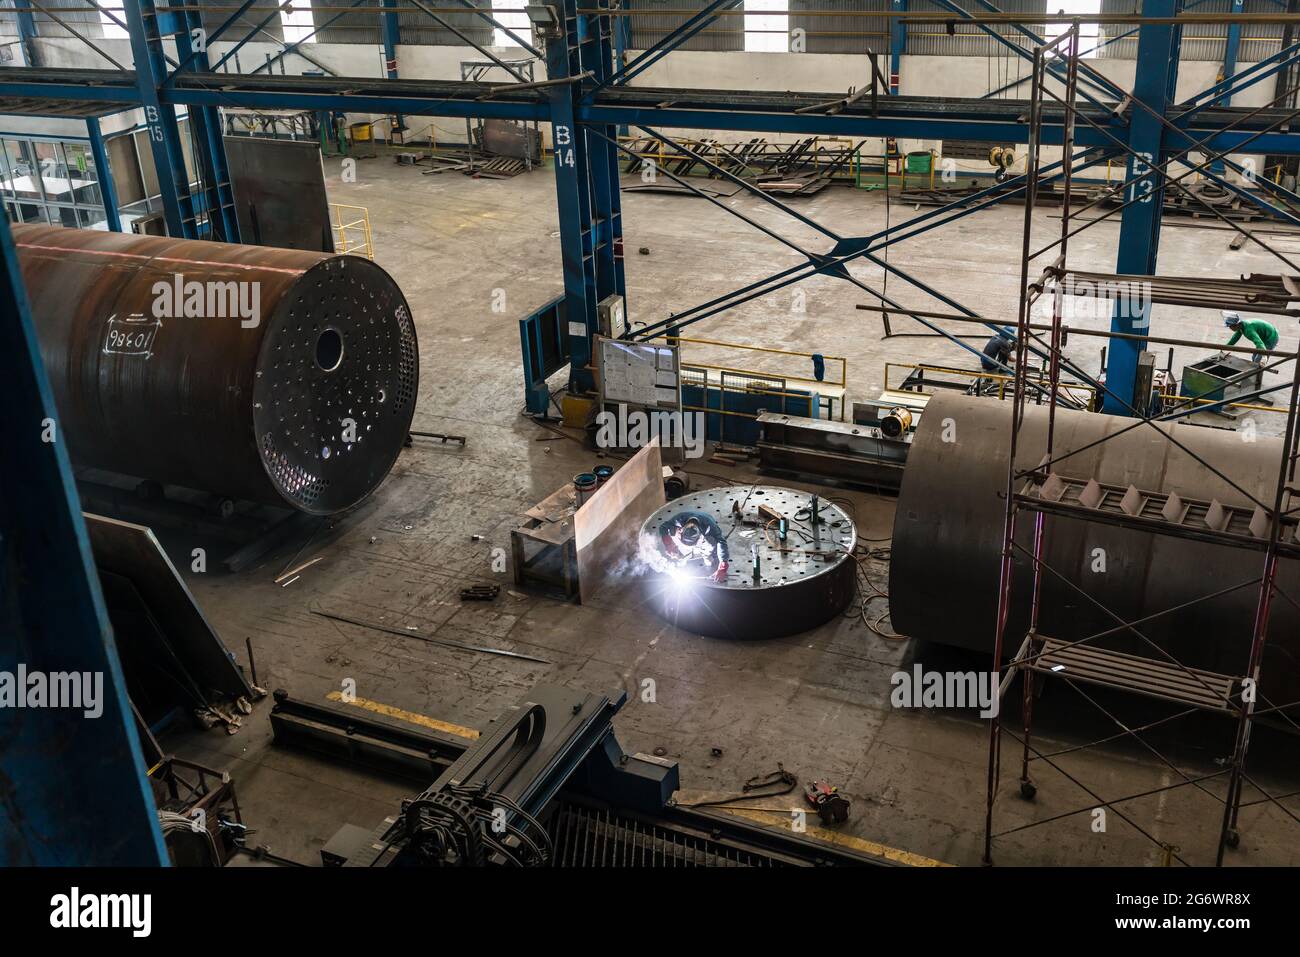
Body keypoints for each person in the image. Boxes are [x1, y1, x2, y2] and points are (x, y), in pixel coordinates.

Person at [659, 512, 730, 583]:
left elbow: (721, 541)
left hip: (704, 535)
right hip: (681, 531)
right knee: (672, 532)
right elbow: (663, 528)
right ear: (681, 530)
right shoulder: (678, 520)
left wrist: (722, 568)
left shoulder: (709, 526)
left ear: (699, 537)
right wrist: (669, 545)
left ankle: (707, 554)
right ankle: (682, 554)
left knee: (711, 541)